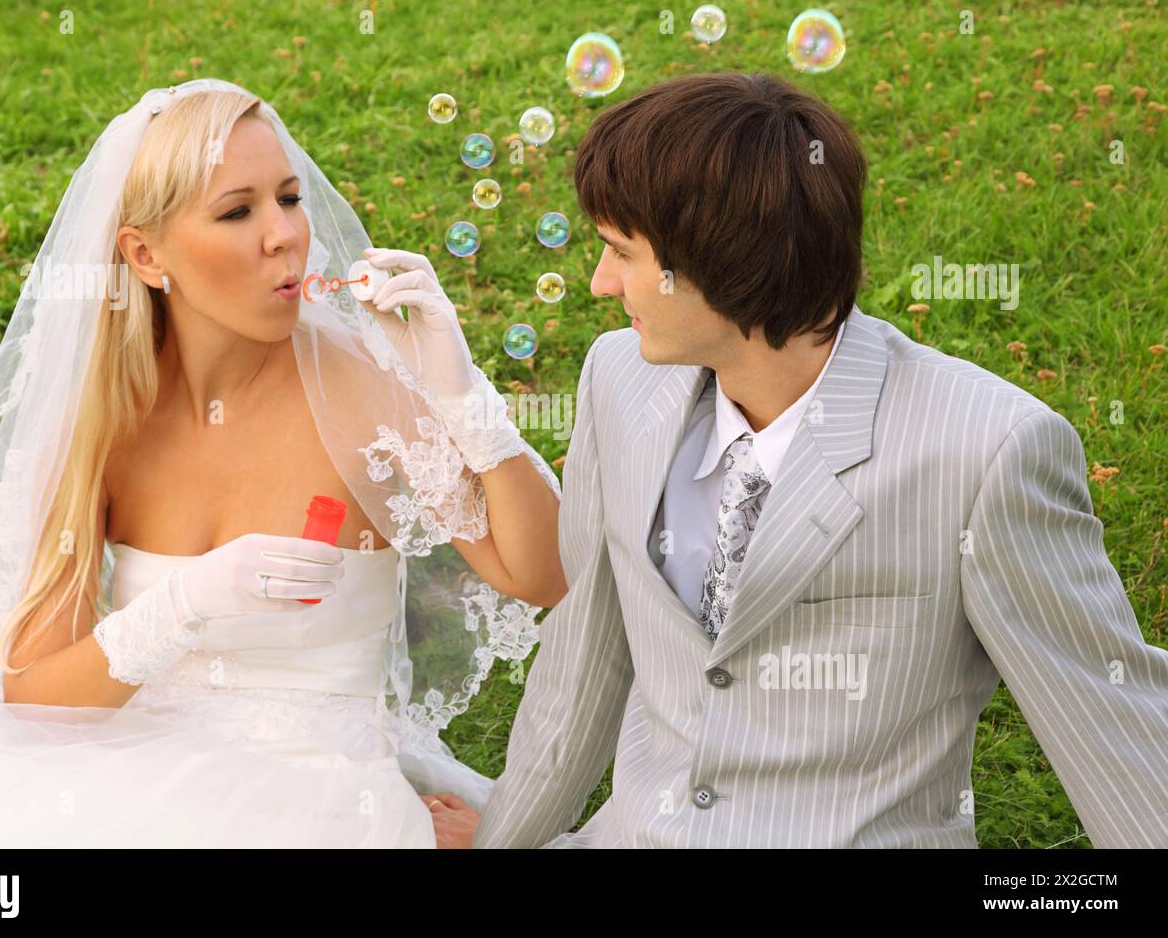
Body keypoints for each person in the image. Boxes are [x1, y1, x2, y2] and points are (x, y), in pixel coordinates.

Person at [466, 71, 1168, 848]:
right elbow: (582, 665)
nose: (601, 283)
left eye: (621, 253)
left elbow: (1115, 729)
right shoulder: (621, 379)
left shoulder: (988, 450)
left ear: (720, 263)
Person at [0, 79, 565, 847]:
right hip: (120, 772)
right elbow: (37, 702)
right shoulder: (103, 415)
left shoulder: (360, 382)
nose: (285, 235)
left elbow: (541, 574)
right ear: (144, 253)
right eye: (238, 211)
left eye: (290, 198)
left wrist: (461, 394)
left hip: (315, 795)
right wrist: (182, 606)